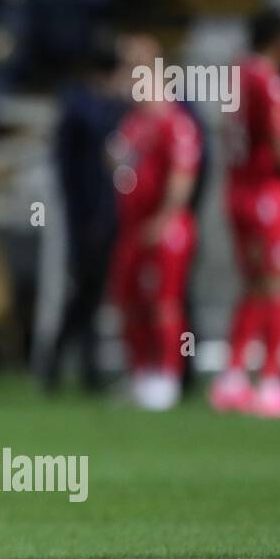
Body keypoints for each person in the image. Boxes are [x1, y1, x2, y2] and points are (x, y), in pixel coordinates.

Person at [210, 11, 280, 417]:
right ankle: (271, 384)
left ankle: (232, 379)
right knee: (277, 286)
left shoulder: (236, 74)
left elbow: (229, 130)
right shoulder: (269, 81)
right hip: (267, 193)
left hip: (237, 190)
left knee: (254, 284)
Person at [108, 45, 202, 410]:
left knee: (162, 303)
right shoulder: (133, 123)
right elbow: (120, 166)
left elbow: (182, 176)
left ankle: (166, 376)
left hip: (164, 228)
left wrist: (164, 218)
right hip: (133, 229)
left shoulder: (174, 122)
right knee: (130, 304)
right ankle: (140, 373)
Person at [43, 33, 128, 392]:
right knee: (85, 294)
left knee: (90, 296)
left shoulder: (104, 106)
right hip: (86, 213)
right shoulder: (82, 108)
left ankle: (63, 366)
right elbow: (69, 166)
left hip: (105, 212)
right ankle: (72, 368)